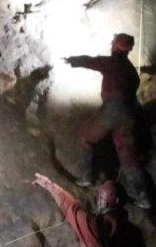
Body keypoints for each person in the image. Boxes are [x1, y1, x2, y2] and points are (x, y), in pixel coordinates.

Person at [64, 33, 150, 206]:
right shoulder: (133, 72)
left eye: (114, 42)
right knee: (127, 156)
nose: (111, 44)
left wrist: (73, 60)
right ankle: (142, 196)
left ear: (117, 45)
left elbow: (92, 61)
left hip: (113, 110)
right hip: (129, 114)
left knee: (85, 137)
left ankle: (87, 176)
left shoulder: (113, 62)